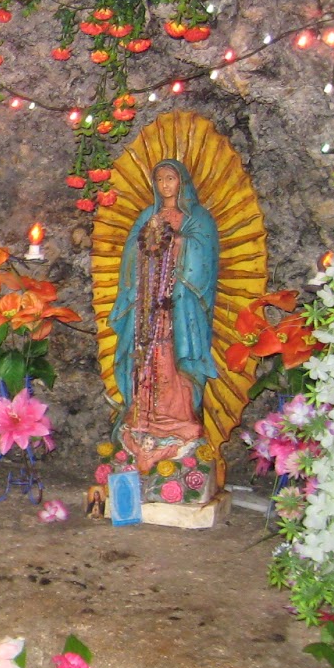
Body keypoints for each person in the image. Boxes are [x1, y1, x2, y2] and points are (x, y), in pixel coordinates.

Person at [108, 158, 220, 472]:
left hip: (178, 309)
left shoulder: (198, 218)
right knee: (145, 357)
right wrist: (147, 243)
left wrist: (178, 241)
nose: (165, 186)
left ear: (181, 181)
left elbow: (204, 257)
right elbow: (132, 252)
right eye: (160, 180)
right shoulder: (149, 216)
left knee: (172, 361)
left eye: (171, 179)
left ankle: (179, 422)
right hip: (147, 308)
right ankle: (143, 420)